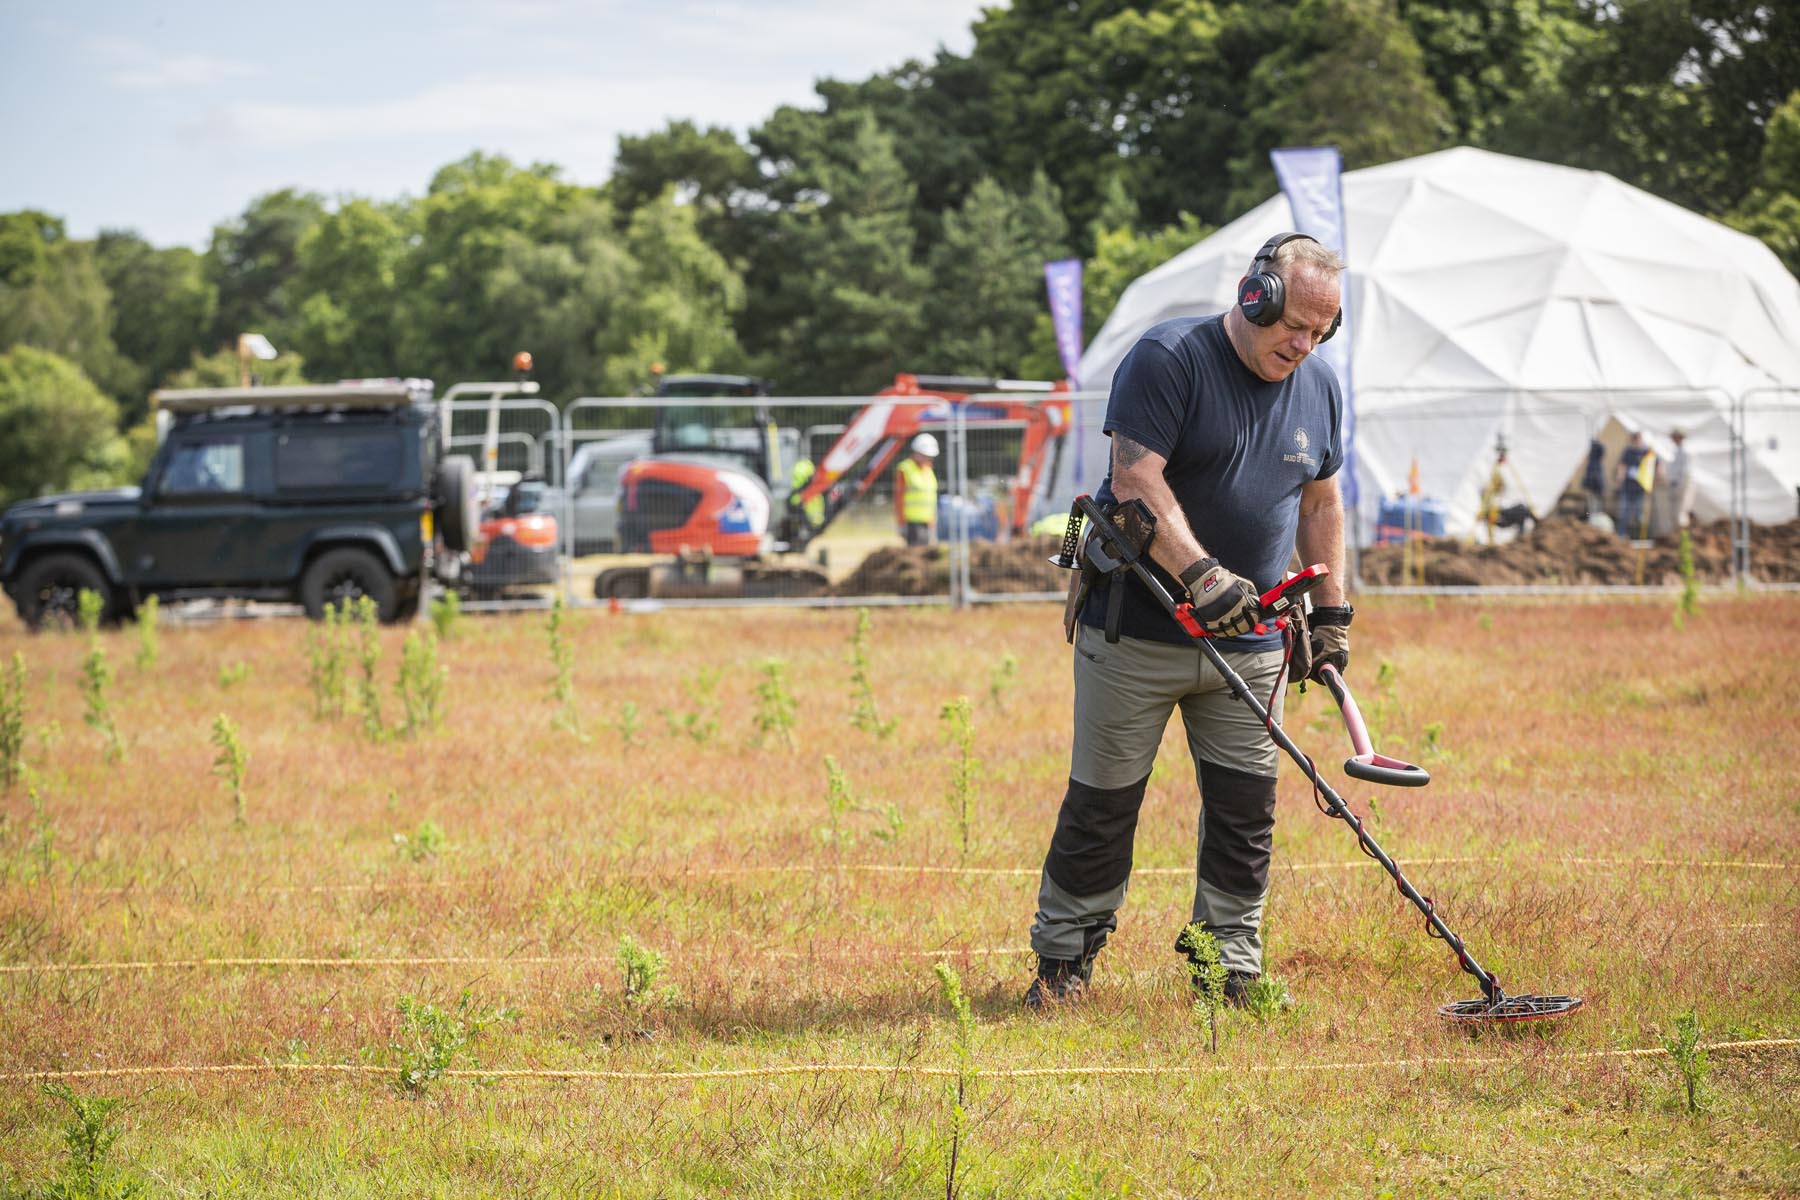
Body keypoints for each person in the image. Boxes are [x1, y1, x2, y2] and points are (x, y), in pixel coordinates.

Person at [1025, 232, 1351, 1011]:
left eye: (1319, 331)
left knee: (1246, 812)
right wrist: (1201, 575)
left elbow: (1321, 500)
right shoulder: (1168, 358)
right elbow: (1133, 478)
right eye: (1292, 324)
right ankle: (1065, 963)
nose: (1301, 344)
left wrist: (1332, 612)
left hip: (1254, 645)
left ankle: (1228, 967)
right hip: (1135, 632)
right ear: (1254, 296)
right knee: (1103, 804)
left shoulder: (1321, 388)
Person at [895, 433, 939, 546]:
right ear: (916, 452)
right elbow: (898, 498)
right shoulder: (905, 469)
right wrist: (901, 522)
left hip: (927, 521)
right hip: (911, 523)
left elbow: (931, 497)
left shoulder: (928, 470)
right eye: (925, 455)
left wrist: (932, 522)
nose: (928, 458)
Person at [1614, 430, 1654, 540]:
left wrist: (1653, 484)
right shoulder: (1628, 452)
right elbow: (1622, 466)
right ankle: (1621, 535)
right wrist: (1619, 480)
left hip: (1641, 489)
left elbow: (1655, 468)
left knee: (1641, 514)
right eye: (1634, 438)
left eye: (1637, 438)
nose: (1636, 441)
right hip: (1628, 488)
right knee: (1624, 513)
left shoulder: (1647, 452)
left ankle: (1642, 538)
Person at [1665, 429, 1694, 529]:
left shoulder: (1685, 452)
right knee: (1673, 511)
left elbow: (1685, 471)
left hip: (1681, 484)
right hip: (1674, 484)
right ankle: (1676, 533)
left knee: (1680, 512)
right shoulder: (1676, 451)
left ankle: (1682, 535)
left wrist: (1679, 484)